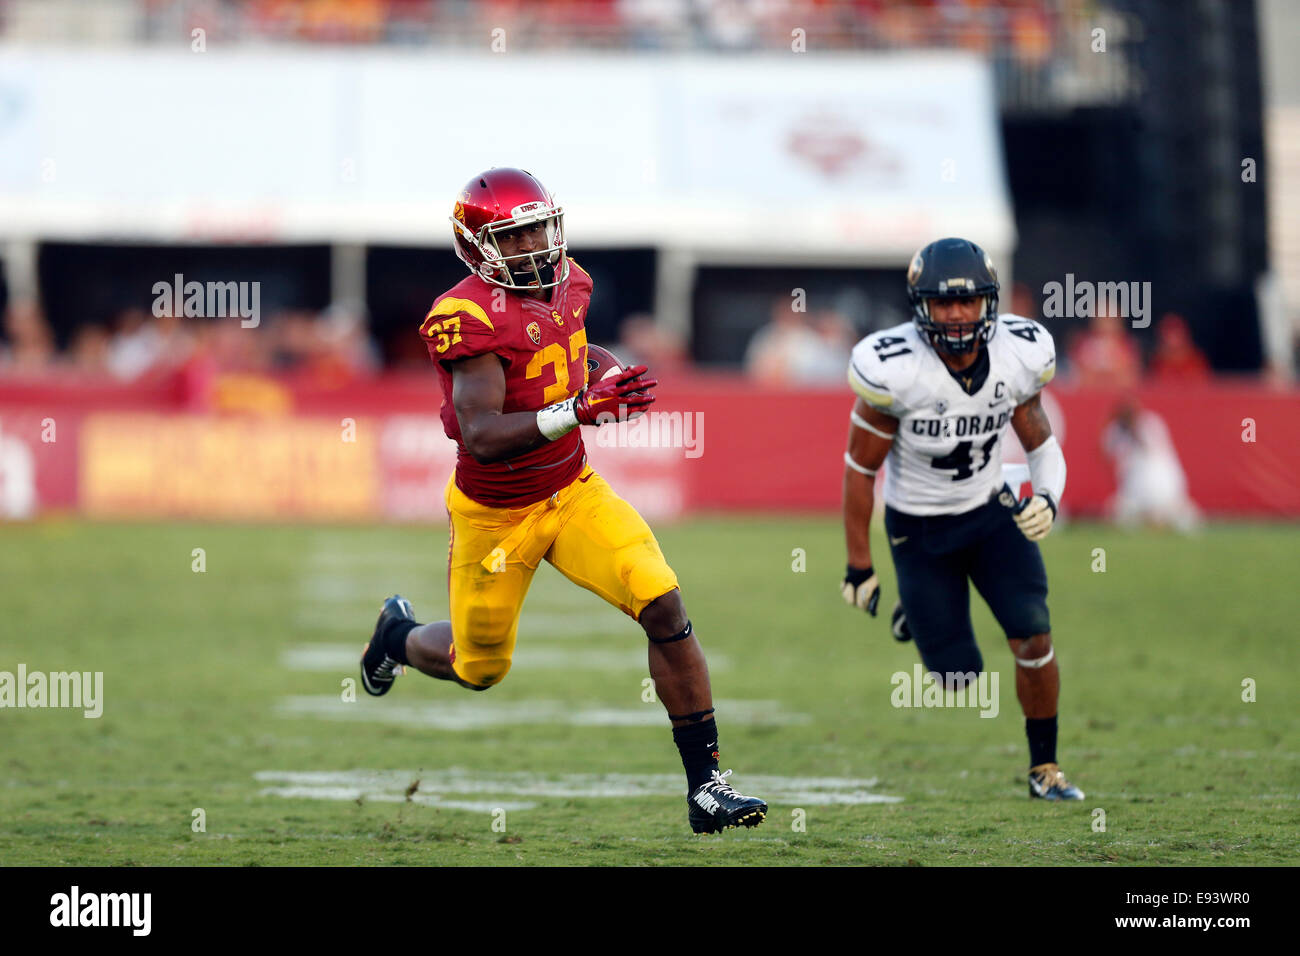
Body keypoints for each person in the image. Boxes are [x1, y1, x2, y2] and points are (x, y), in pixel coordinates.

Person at [360, 167, 766, 833]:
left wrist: (605, 372)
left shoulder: (570, 283)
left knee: (662, 601)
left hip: (573, 490)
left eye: (540, 230)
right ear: (478, 247)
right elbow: (485, 435)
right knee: (479, 666)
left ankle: (708, 787)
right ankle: (396, 637)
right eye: (516, 239)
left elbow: (570, 352)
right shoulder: (465, 317)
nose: (535, 248)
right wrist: (579, 408)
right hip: (496, 515)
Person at [840, 237, 1084, 801]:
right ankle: (920, 614)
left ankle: (1045, 768)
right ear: (920, 306)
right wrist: (859, 566)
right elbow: (859, 472)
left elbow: (1041, 442)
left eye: (968, 301)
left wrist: (1046, 497)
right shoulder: (895, 371)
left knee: (1034, 634)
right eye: (943, 303)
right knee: (958, 677)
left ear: (988, 302)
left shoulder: (1016, 357)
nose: (955, 315)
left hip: (989, 513)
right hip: (919, 531)